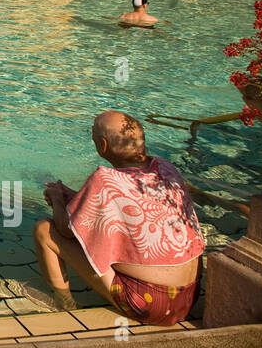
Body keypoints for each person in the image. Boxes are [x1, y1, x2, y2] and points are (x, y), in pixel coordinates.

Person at [34, 111, 203, 324]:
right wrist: (76, 198)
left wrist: (58, 200)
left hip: (151, 304)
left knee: (44, 231)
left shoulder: (104, 179)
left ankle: (64, 304)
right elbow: (124, 208)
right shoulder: (165, 167)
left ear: (102, 145)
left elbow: (65, 228)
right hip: (190, 297)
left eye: (93, 132)